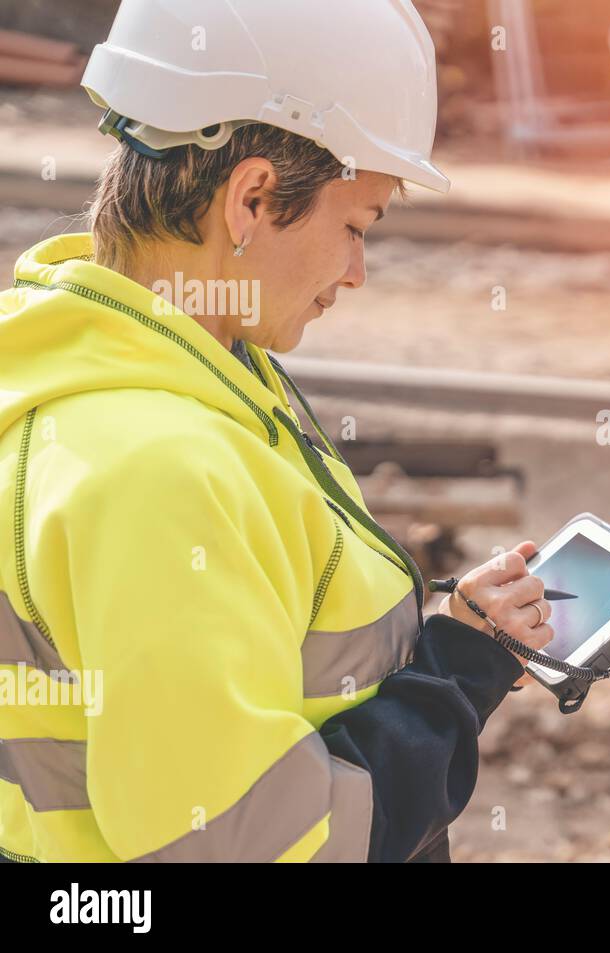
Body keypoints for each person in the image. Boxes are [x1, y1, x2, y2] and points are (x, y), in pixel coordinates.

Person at [0, 0, 551, 863]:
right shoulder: (158, 470)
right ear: (252, 196)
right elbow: (251, 844)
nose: (358, 271)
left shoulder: (172, 360)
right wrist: (455, 681)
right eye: (356, 226)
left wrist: (456, 636)